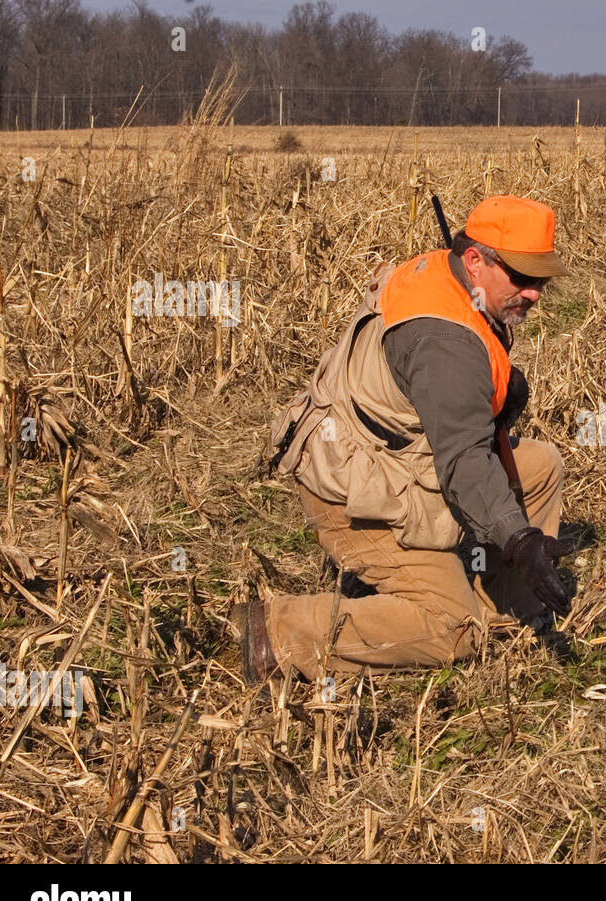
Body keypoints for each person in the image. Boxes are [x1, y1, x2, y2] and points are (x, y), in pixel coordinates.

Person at [234, 195, 575, 684]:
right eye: (521, 278)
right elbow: (463, 463)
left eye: (540, 279)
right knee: (453, 630)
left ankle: (507, 611)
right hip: (351, 492)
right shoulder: (446, 344)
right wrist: (519, 540)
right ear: (476, 261)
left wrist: (498, 386)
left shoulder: (447, 273)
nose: (535, 294)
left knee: (540, 466)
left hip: (386, 458)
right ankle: (277, 632)